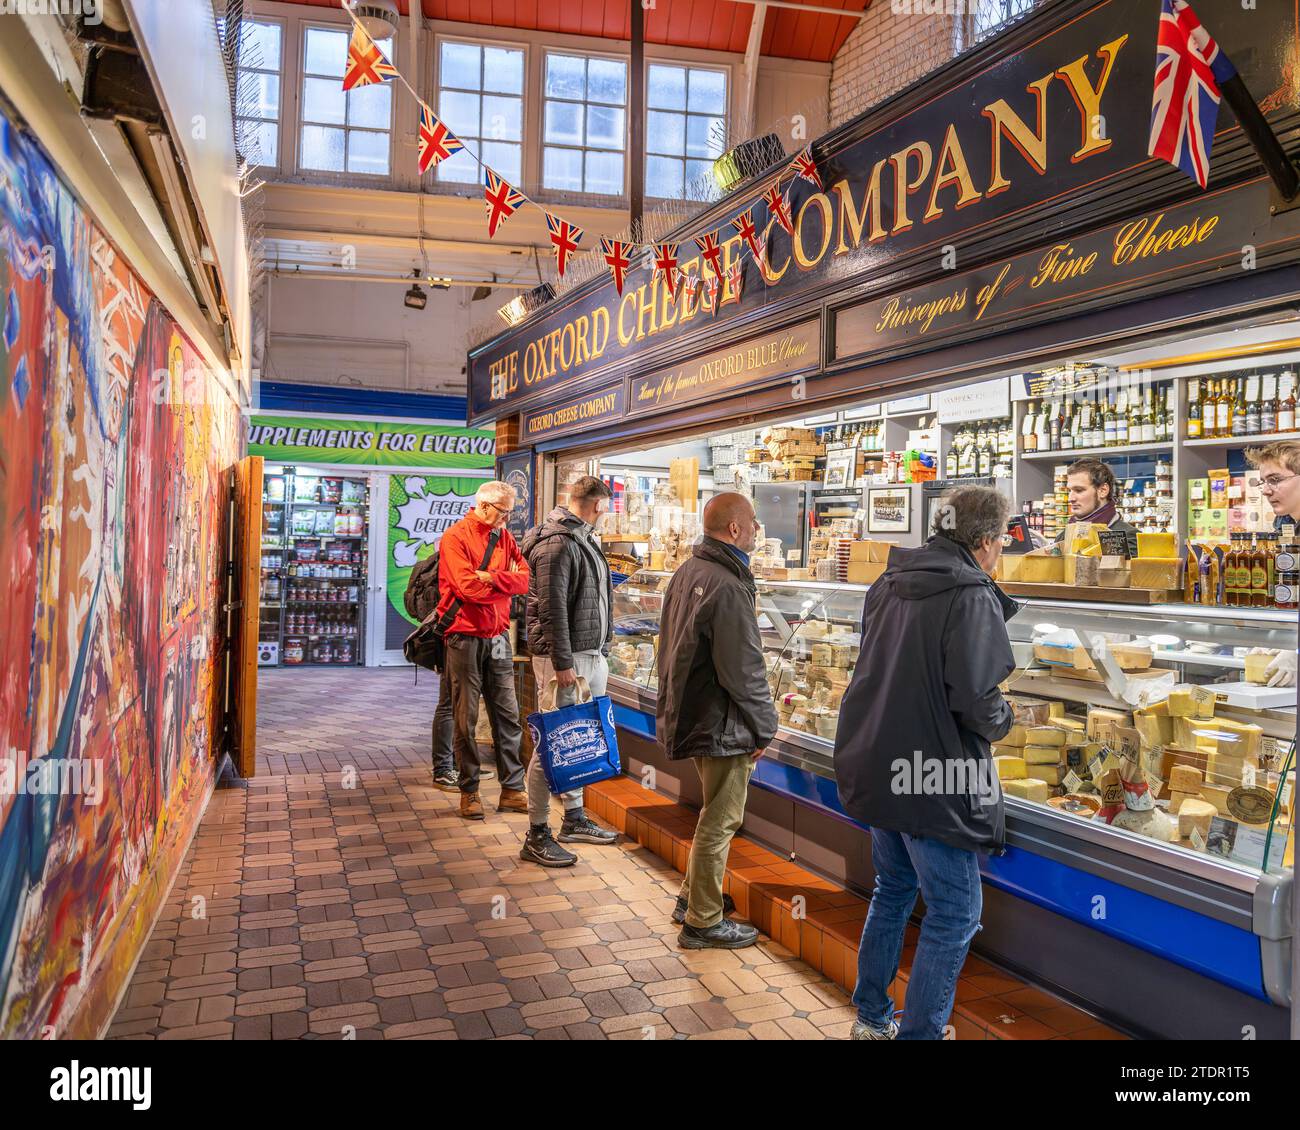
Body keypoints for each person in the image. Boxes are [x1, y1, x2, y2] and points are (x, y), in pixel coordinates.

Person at [834, 485, 1025, 1040]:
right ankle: (920, 1033)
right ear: (987, 542)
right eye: (1002, 543)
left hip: (880, 761)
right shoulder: (971, 593)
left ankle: (872, 1019)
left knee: (892, 890)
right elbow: (976, 699)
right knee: (956, 914)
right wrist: (1006, 722)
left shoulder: (888, 581)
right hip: (936, 776)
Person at [657, 491, 777, 950]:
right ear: (734, 530)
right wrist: (765, 726)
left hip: (696, 712)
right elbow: (744, 669)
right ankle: (703, 922)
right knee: (720, 821)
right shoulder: (727, 584)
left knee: (712, 814)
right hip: (722, 722)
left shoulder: (690, 569)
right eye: (753, 521)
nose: (757, 528)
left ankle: (691, 900)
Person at [518, 475, 620, 866]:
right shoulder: (558, 543)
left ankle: (573, 818)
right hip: (567, 660)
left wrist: (603, 646)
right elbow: (551, 607)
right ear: (598, 504)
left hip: (589, 653)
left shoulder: (583, 537)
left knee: (581, 739)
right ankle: (536, 833)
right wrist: (562, 662)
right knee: (553, 744)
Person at [437, 480, 531, 821]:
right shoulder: (455, 537)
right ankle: (470, 792)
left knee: (507, 716)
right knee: (466, 718)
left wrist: (492, 579)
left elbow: (525, 579)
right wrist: (503, 581)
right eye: (504, 512)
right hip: (464, 638)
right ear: (486, 506)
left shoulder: (504, 537)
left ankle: (512, 790)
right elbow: (466, 588)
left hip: (497, 638)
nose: (508, 519)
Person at [1245, 442, 1300, 687]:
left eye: (1275, 479)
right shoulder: (1284, 527)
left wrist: (1295, 652)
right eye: (1263, 482)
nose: (1266, 491)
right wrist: (1280, 638)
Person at [1058, 458, 1138, 556]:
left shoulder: (1128, 537)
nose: (1071, 498)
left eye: (1079, 490)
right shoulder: (1063, 536)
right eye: (1069, 491)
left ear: (1103, 490)